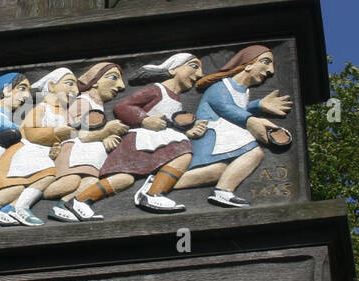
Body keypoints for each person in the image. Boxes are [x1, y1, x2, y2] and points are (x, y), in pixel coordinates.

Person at [76, 53, 208, 213]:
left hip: (158, 140)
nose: (200, 74)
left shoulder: (176, 99)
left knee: (124, 179)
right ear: (173, 69)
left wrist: (189, 132)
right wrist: (144, 120)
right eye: (194, 66)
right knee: (182, 153)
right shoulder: (157, 90)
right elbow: (122, 106)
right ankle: (152, 193)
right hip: (142, 141)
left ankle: (80, 202)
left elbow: (169, 124)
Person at [174, 45, 293, 207]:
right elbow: (226, 108)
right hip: (212, 136)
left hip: (223, 133)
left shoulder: (242, 90)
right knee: (254, 152)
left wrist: (259, 105)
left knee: (218, 171)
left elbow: (236, 108)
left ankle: (161, 183)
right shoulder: (219, 87)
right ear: (248, 63)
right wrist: (253, 122)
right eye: (265, 62)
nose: (271, 70)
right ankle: (222, 191)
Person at [0, 72, 58, 229]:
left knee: (20, 185)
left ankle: (6, 210)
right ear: (6, 90)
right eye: (22, 88)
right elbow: (20, 134)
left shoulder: (2, 118)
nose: (26, 95)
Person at [44, 61, 128, 221]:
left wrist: (105, 136)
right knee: (72, 181)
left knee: (91, 181)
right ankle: (34, 191)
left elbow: (94, 130)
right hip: (74, 153)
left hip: (89, 156)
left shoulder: (96, 104)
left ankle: (63, 206)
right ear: (95, 81)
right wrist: (106, 132)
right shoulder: (82, 102)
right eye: (113, 78)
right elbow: (76, 133)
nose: (121, 86)